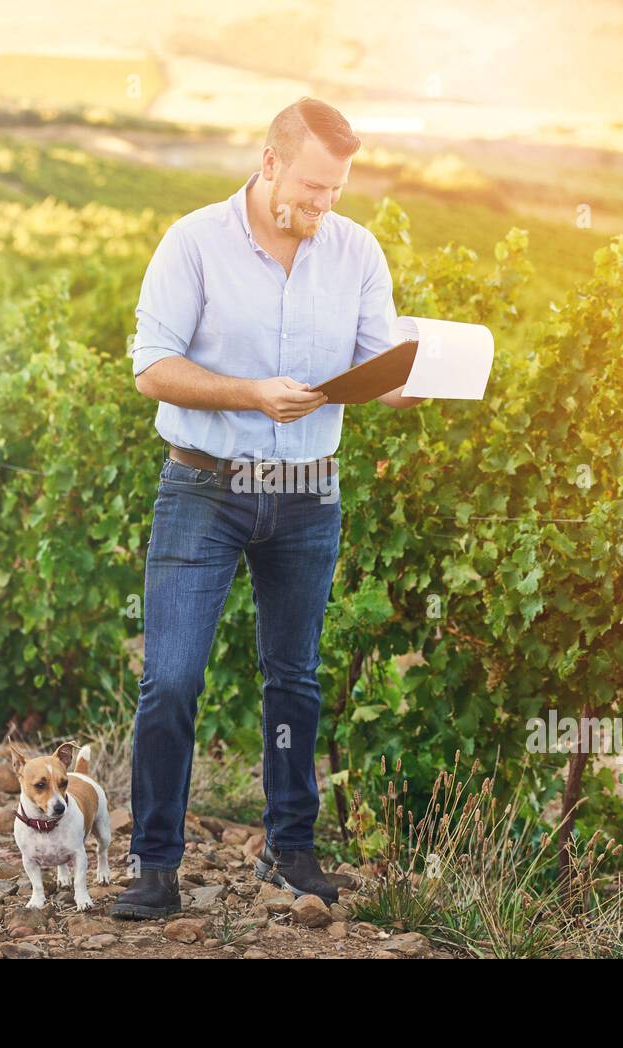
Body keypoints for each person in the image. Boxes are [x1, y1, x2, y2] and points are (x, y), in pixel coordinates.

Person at [111, 97, 423, 919]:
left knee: (295, 682)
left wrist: (408, 384)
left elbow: (376, 366)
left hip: (308, 493)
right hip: (204, 488)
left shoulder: (356, 251)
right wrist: (251, 396)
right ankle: (154, 865)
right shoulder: (194, 243)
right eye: (315, 186)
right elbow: (150, 367)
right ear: (270, 161)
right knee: (171, 679)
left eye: (338, 191)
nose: (325, 205)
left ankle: (291, 853)